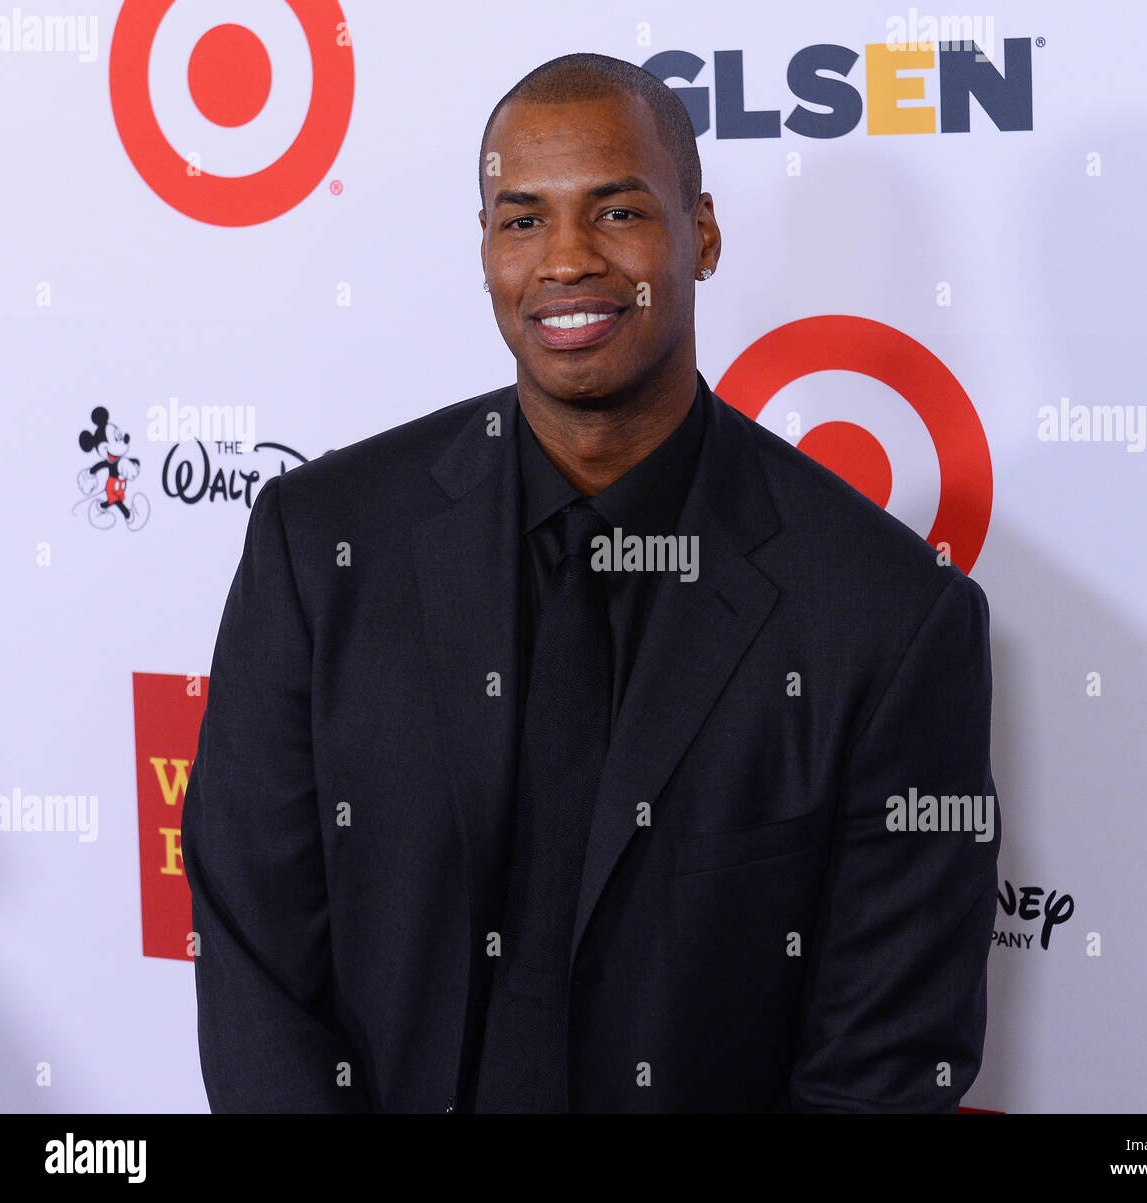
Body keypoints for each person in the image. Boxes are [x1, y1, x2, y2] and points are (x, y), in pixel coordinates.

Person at [181, 51, 1001, 1114]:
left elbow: (883, 1057)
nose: (564, 261)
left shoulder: (885, 614)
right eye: (521, 220)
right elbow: (254, 956)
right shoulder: (323, 545)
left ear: (699, 235)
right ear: (485, 249)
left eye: (615, 214)